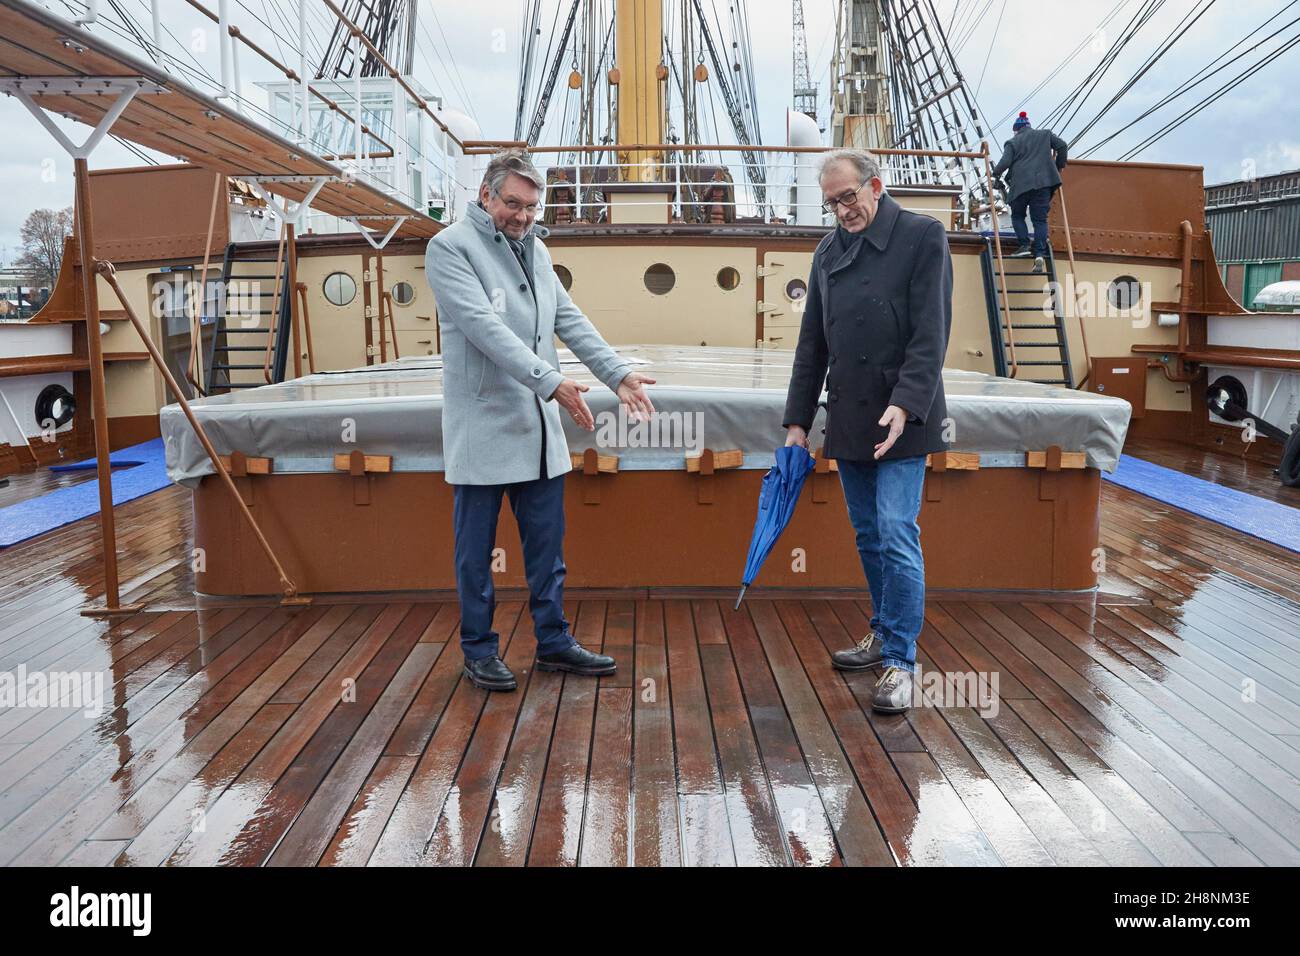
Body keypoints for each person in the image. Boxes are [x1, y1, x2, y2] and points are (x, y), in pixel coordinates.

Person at [425, 148, 656, 692]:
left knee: (547, 552)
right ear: (486, 195)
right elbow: (484, 328)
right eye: (513, 204)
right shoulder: (449, 249)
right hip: (482, 430)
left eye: (531, 207)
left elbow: (568, 320)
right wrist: (550, 381)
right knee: (476, 557)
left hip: (537, 434)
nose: (523, 216)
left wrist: (616, 373)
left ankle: (553, 643)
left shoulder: (538, 251)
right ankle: (479, 650)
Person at [782, 148, 952, 714]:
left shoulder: (923, 237)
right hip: (852, 415)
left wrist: (906, 404)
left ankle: (902, 662)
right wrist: (798, 422)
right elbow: (813, 347)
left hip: (902, 413)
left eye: (848, 197)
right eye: (831, 203)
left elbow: (931, 333)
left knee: (897, 530)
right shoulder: (827, 252)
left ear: (875, 186)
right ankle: (881, 630)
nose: (841, 211)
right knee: (867, 534)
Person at [992, 111, 1068, 274]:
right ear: (1029, 126)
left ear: (1016, 130)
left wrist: (994, 173)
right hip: (1044, 184)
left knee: (1018, 215)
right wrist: (1059, 166)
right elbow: (1062, 146)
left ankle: (1025, 245)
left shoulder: (1012, 142)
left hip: (1020, 185)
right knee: (1040, 220)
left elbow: (1005, 162)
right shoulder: (1045, 135)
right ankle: (1039, 254)